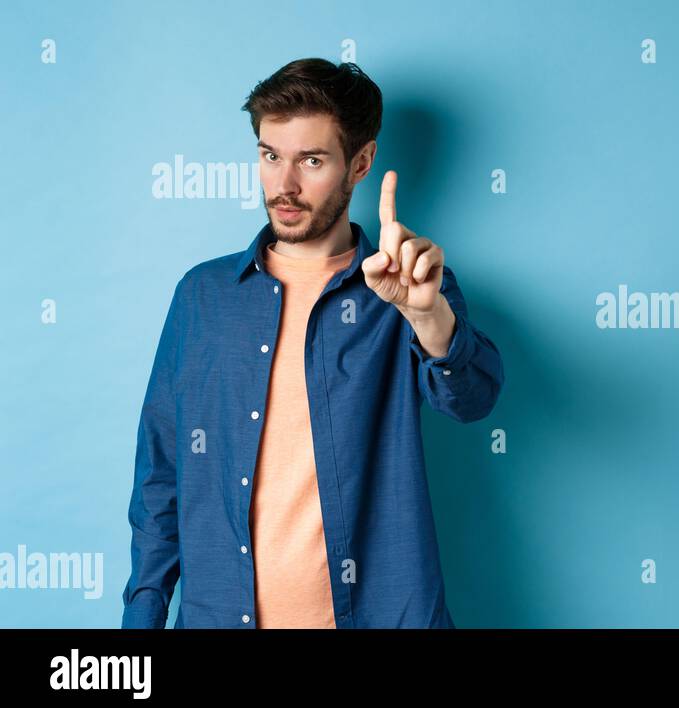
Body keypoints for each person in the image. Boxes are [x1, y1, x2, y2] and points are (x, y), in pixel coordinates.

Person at [121, 58, 504, 628]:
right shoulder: (203, 297)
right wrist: (141, 620)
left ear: (362, 163)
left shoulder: (413, 287)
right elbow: (160, 474)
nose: (285, 185)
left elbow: (473, 400)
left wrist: (428, 319)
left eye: (312, 161)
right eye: (271, 155)